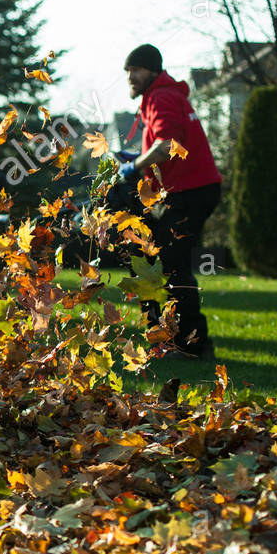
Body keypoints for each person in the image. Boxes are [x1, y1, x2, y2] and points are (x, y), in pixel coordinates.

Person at [109, 43, 223, 360]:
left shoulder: (161, 96)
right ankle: (185, 339)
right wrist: (140, 160)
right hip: (193, 188)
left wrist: (134, 166)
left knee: (173, 264)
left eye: (136, 70)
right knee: (166, 260)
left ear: (153, 71)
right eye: (128, 71)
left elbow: (168, 144)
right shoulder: (166, 96)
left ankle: (192, 344)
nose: (130, 76)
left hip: (192, 190)